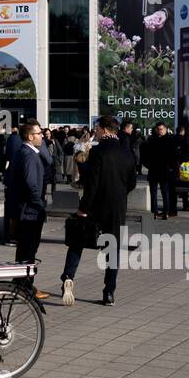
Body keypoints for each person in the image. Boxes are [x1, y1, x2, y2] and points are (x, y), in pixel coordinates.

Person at [59, 115, 135, 307]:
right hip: (117, 206)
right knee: (113, 248)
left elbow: (92, 184)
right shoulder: (127, 152)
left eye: (97, 129)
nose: (96, 133)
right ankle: (109, 291)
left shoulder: (98, 152)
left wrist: (83, 208)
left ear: (104, 130)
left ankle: (69, 276)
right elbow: (132, 182)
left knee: (78, 240)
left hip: (96, 205)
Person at [10, 122, 50, 300]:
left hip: (24, 209)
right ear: (30, 136)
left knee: (24, 250)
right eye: (39, 133)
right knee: (28, 251)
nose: (42, 136)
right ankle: (25, 286)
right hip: (30, 211)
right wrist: (39, 204)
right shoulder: (30, 155)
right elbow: (31, 184)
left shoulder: (23, 152)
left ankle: (21, 284)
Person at [142, 122, 179, 220]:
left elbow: (174, 156)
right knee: (154, 192)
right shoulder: (152, 140)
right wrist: (149, 166)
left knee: (164, 192)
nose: (160, 131)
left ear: (166, 129)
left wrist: (170, 167)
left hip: (164, 171)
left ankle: (166, 212)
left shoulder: (170, 140)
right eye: (158, 129)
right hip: (154, 170)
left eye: (161, 129)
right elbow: (146, 155)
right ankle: (154, 212)